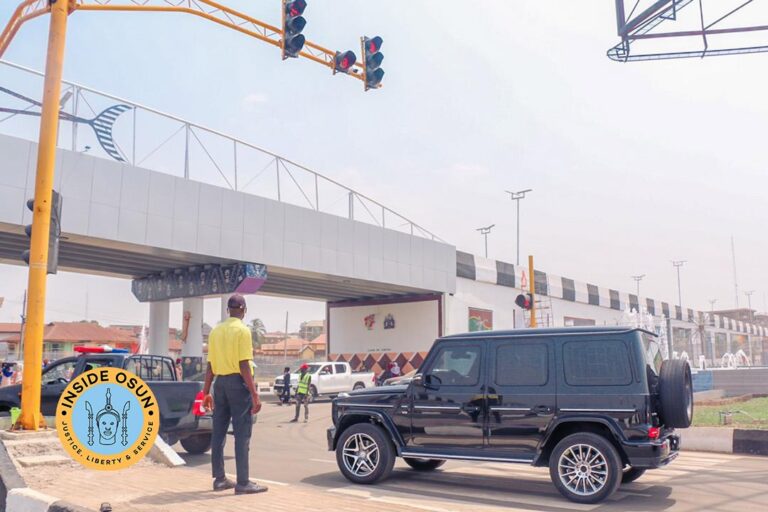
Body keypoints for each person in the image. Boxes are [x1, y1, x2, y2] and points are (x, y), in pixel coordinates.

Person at [202, 294, 267, 495]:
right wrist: (255, 394)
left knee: (219, 431)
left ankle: (220, 479)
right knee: (242, 433)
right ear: (244, 310)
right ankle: (243, 482)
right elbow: (244, 365)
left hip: (219, 384)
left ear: (228, 310)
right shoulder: (242, 331)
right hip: (238, 385)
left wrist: (206, 392)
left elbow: (210, 366)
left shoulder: (215, 331)